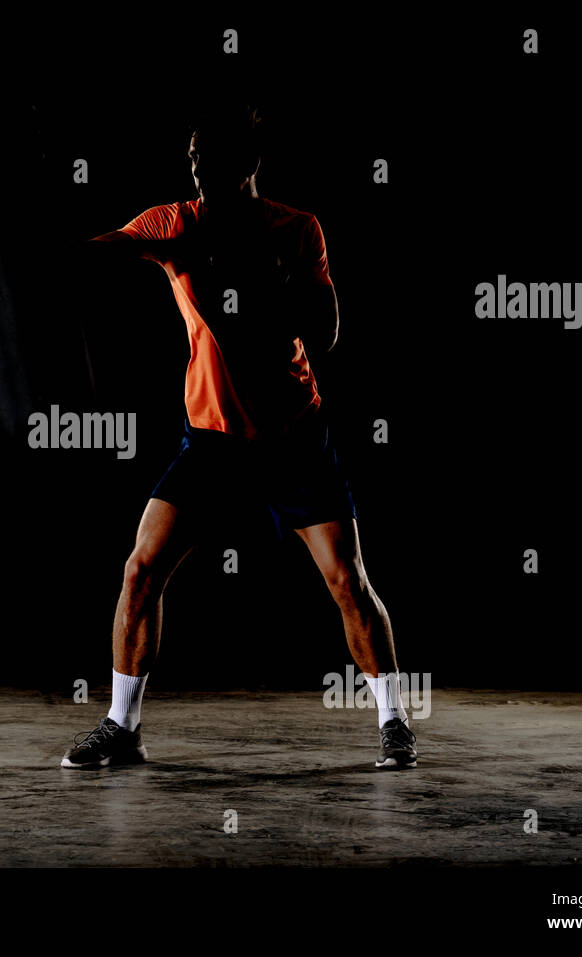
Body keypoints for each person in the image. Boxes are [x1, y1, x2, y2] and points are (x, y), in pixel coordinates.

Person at [61, 101, 417, 770]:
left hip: (293, 436)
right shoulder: (174, 223)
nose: (200, 178)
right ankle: (121, 726)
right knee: (140, 569)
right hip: (211, 442)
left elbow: (327, 330)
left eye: (214, 166)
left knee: (347, 579)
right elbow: (88, 257)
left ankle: (395, 722)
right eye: (194, 165)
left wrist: (256, 278)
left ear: (249, 167)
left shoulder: (296, 228)